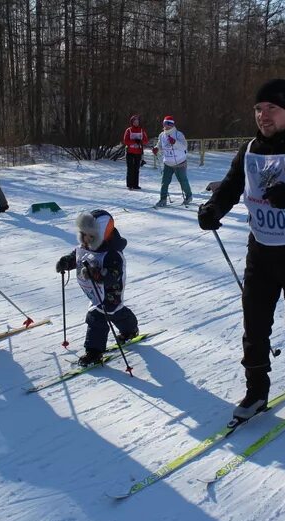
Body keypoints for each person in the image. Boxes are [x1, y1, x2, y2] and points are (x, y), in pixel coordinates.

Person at [196, 78, 285, 420]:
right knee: (255, 323)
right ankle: (256, 390)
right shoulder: (249, 150)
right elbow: (231, 187)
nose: (263, 115)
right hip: (260, 250)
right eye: (259, 109)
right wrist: (214, 209)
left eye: (271, 108)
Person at [55, 210, 139, 366]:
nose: (86, 239)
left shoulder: (113, 254)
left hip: (111, 291)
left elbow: (113, 275)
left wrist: (96, 275)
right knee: (108, 314)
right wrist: (66, 262)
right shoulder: (86, 246)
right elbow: (77, 257)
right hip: (95, 292)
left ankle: (95, 352)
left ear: (103, 234)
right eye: (83, 234)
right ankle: (128, 330)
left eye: (90, 236)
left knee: (102, 316)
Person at [152, 116, 193, 206]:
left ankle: (189, 196)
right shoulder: (162, 135)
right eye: (164, 125)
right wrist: (156, 148)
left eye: (167, 125)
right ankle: (163, 199)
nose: (165, 127)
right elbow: (159, 144)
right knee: (164, 182)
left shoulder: (179, 134)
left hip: (180, 162)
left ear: (171, 125)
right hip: (168, 163)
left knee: (183, 181)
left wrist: (175, 142)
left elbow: (184, 146)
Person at [122, 115, 148, 190]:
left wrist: (140, 141)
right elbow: (125, 141)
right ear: (132, 122)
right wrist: (134, 141)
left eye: (137, 122)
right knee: (130, 168)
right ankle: (130, 184)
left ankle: (135, 184)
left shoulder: (141, 130)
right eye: (134, 122)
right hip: (130, 152)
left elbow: (146, 140)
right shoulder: (129, 130)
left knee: (136, 168)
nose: (136, 123)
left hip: (138, 152)